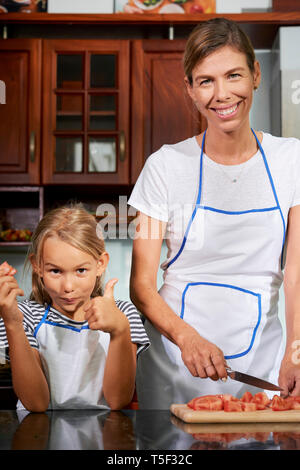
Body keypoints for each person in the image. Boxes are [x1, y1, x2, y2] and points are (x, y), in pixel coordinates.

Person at [128, 17, 300, 409]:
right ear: (189, 89)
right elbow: (142, 284)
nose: (222, 94)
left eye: (234, 75)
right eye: (205, 80)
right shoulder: (166, 166)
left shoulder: (291, 159)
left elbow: (295, 275)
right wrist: (187, 338)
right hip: (175, 366)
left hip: (264, 366)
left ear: (255, 75)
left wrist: (295, 353)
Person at [0, 205, 149, 412]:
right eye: (55, 271)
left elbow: (118, 400)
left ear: (100, 264)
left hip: (102, 438)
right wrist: (12, 323)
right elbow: (36, 403)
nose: (68, 287)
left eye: (80, 270)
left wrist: (120, 331)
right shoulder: (24, 316)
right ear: (37, 266)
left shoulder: (123, 314)